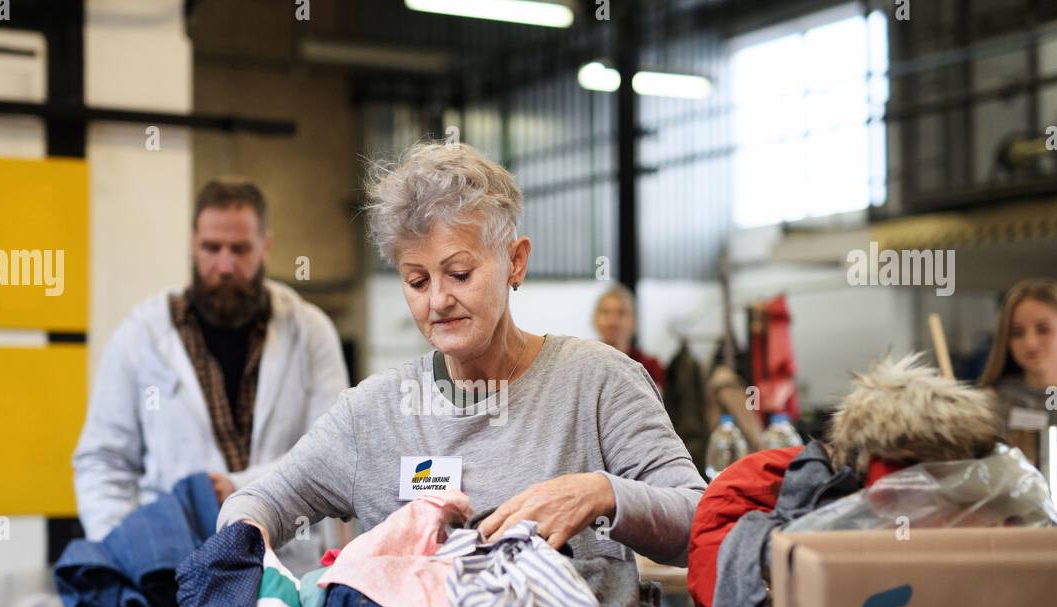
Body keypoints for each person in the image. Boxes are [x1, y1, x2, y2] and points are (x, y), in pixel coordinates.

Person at [218, 141, 704, 571]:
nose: (438, 301)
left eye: (459, 273)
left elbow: (699, 522)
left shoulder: (598, 384)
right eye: (417, 281)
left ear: (516, 261)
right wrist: (243, 557)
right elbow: (261, 502)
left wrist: (601, 494)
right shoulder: (373, 416)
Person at [74, 177, 349, 573]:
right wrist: (123, 552)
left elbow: (332, 452)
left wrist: (238, 488)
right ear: (192, 245)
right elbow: (102, 461)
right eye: (211, 248)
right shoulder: (141, 335)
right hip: (173, 571)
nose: (225, 266)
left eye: (240, 249)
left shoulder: (309, 331)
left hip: (287, 562)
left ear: (265, 246)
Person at [978, 278, 1057, 524]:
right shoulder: (988, 406)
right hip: (1010, 552)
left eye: (1043, 328)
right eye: (1017, 333)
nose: (1030, 343)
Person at [592, 283, 665, 391]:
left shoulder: (651, 368)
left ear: (633, 321)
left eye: (621, 313)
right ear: (595, 319)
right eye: (605, 312)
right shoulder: (585, 365)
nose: (612, 321)